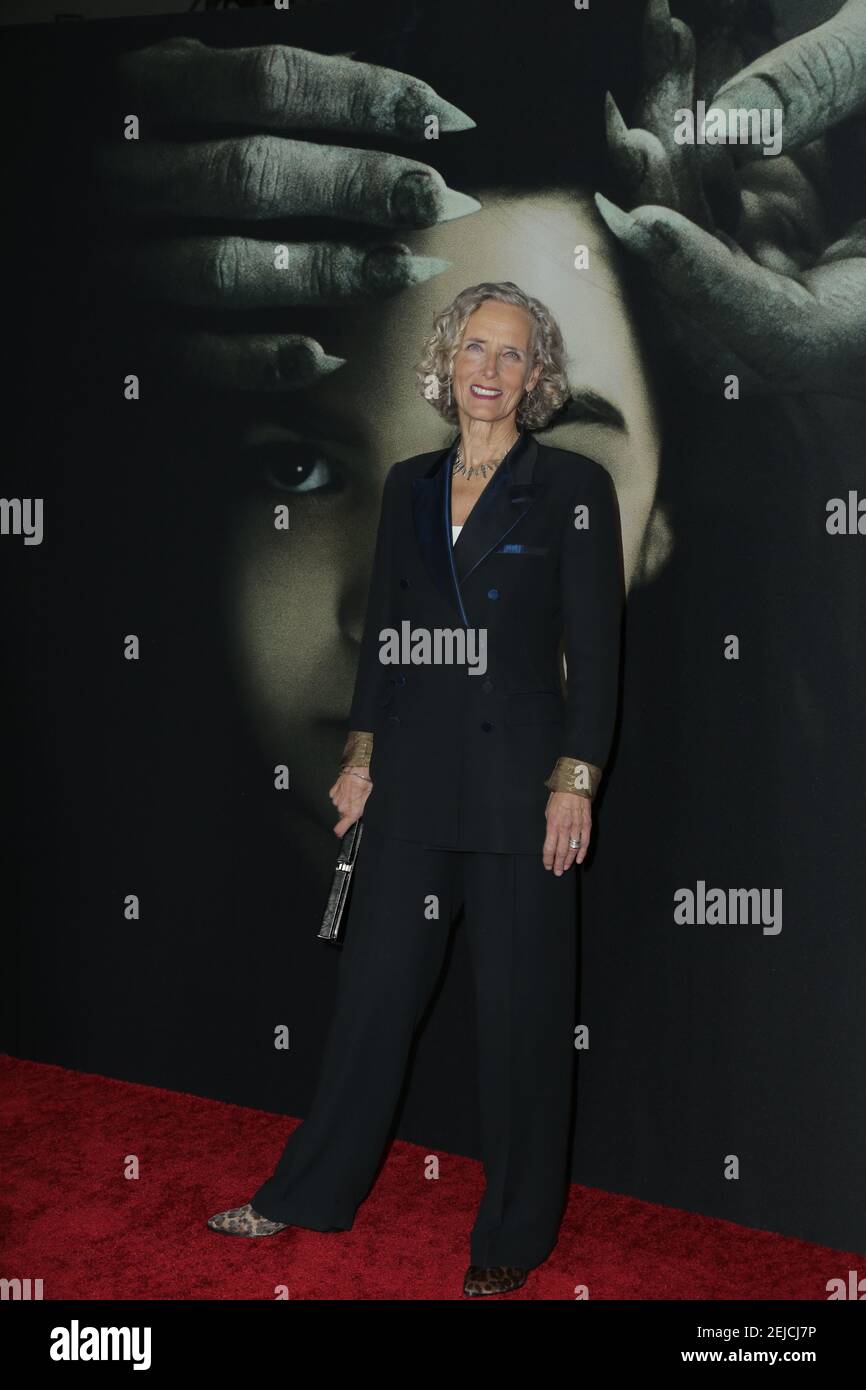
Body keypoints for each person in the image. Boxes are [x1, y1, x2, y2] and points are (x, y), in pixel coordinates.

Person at [208, 281, 625, 1296]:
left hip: (522, 792)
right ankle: (306, 1192)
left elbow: (599, 651)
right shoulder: (406, 484)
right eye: (474, 348)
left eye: (511, 354)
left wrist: (576, 779)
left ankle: (510, 1241)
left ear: (537, 378)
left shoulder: (570, 487)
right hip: (414, 785)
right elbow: (388, 645)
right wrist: (359, 759)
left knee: (523, 1023)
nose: (488, 369)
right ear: (448, 363)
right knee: (370, 1005)